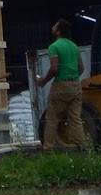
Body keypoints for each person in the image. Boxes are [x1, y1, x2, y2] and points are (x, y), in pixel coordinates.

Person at [37, 19, 87, 149]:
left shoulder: (54, 47)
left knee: (52, 118)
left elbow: (54, 68)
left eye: (54, 26)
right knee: (75, 118)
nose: (52, 28)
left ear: (58, 31)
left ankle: (48, 149)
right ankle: (84, 147)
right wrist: (73, 78)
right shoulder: (74, 46)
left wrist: (43, 81)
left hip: (60, 85)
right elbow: (81, 68)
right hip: (76, 85)